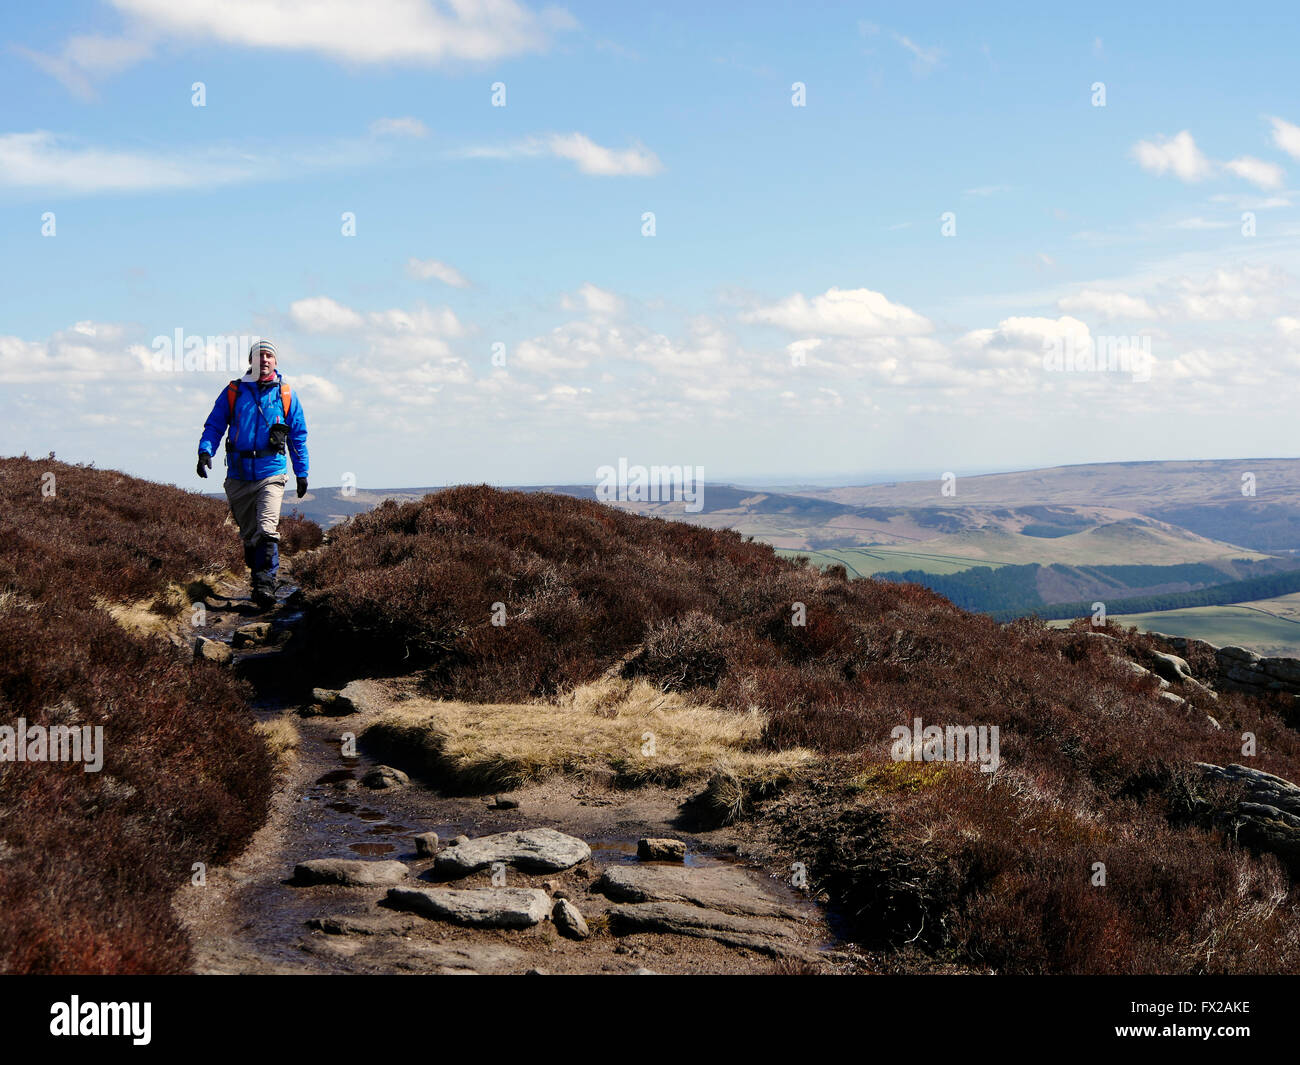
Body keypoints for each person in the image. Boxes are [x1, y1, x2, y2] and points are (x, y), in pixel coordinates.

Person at [196, 339, 308, 610]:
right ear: (251, 361)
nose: (265, 360)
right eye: (259, 356)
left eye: (269, 356)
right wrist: (204, 451)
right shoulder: (234, 391)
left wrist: (301, 472)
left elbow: (298, 435)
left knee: (267, 530)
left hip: (272, 471)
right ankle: (258, 570)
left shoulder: (286, 394)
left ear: (276, 362)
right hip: (238, 474)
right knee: (250, 535)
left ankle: (264, 586)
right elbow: (214, 424)